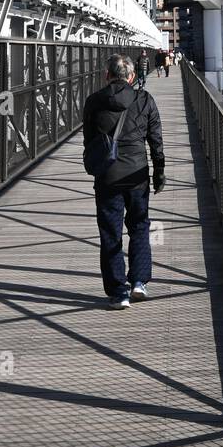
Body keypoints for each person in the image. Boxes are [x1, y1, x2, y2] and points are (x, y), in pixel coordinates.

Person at [83, 54, 165, 309]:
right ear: (131, 77)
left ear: (107, 75)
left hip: (108, 175)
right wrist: (159, 172)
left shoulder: (95, 101)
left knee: (110, 231)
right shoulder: (144, 100)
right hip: (137, 174)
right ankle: (139, 281)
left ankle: (119, 292)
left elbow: (89, 141)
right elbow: (156, 140)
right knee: (139, 226)